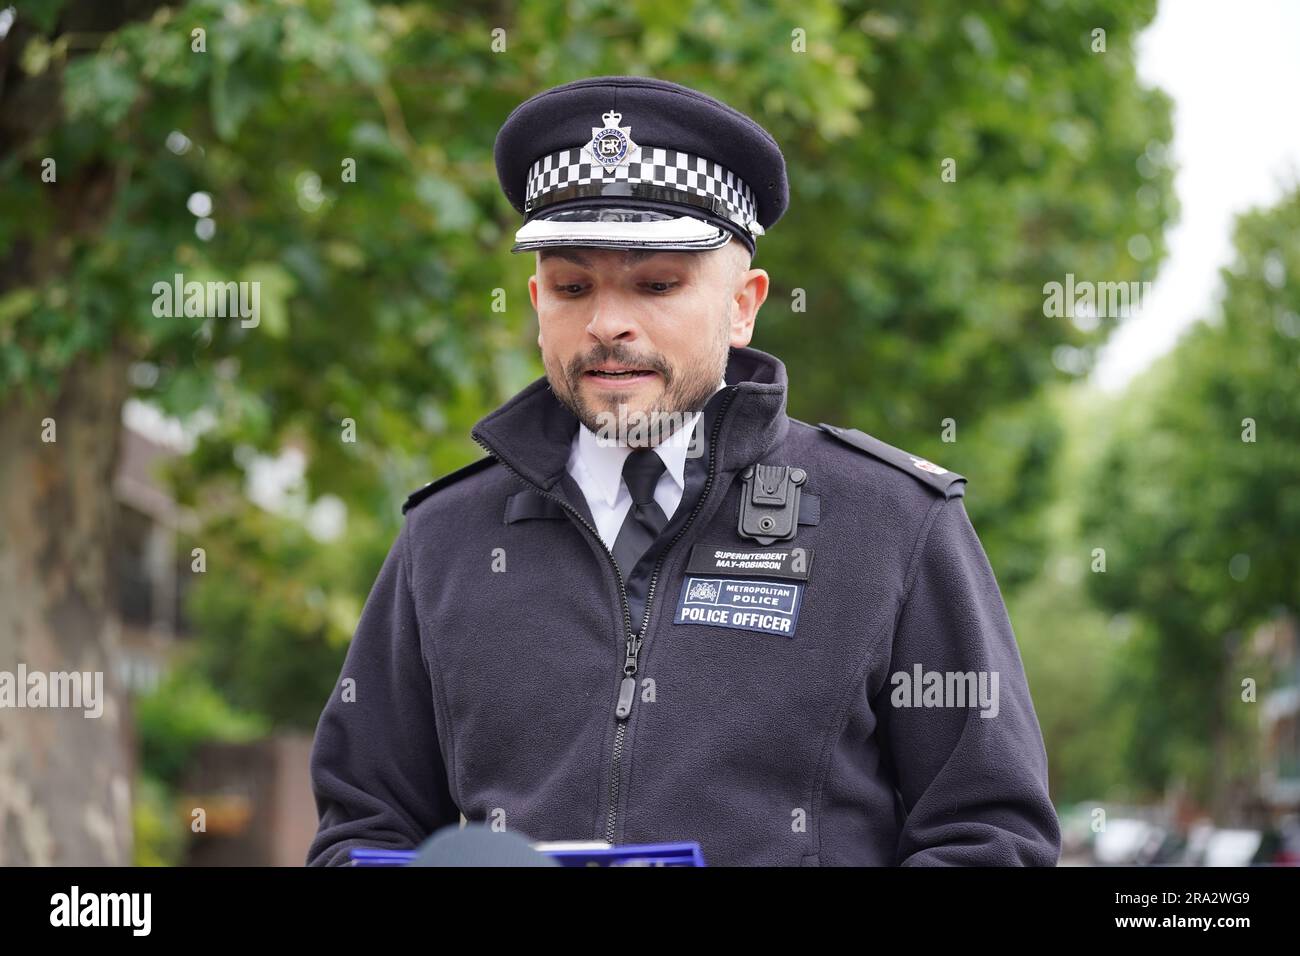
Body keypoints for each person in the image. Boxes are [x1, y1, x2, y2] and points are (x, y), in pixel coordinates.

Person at [307, 75, 1060, 866]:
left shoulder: (893, 522)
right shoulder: (443, 540)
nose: (606, 323)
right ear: (536, 300)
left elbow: (991, 837)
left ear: (744, 305)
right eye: (571, 287)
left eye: (658, 284)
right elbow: (362, 829)